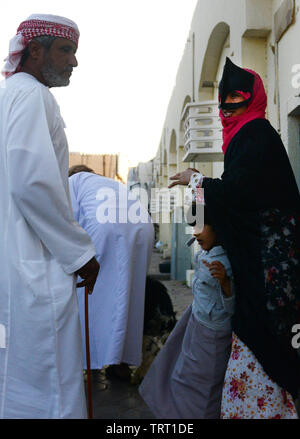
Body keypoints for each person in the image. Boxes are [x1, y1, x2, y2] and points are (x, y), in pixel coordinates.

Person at [169, 57, 300, 418]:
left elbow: (237, 195)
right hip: (258, 271)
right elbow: (228, 199)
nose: (227, 110)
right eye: (222, 104)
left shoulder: (255, 134)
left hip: (270, 271)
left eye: (236, 102)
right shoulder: (244, 139)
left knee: (268, 347)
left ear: (252, 100)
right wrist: (202, 186)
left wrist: (198, 182)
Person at [0, 15, 100, 418]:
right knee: (50, 385)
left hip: (18, 262)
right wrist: (80, 253)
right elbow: (33, 184)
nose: (74, 62)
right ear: (35, 51)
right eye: (66, 51)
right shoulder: (32, 96)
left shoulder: (11, 95)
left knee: (20, 379)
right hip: (36, 266)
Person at [139, 206, 235, 418]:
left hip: (214, 336)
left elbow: (233, 308)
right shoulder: (204, 254)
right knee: (183, 376)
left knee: (205, 386)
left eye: (201, 226)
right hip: (195, 327)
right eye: (194, 227)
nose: (196, 233)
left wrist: (226, 284)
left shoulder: (228, 262)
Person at [68, 166, 154, 380]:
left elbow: (67, 222)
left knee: (89, 297)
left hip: (106, 230)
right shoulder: (112, 185)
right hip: (142, 227)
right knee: (129, 297)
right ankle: (120, 362)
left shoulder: (73, 181)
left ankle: (91, 362)